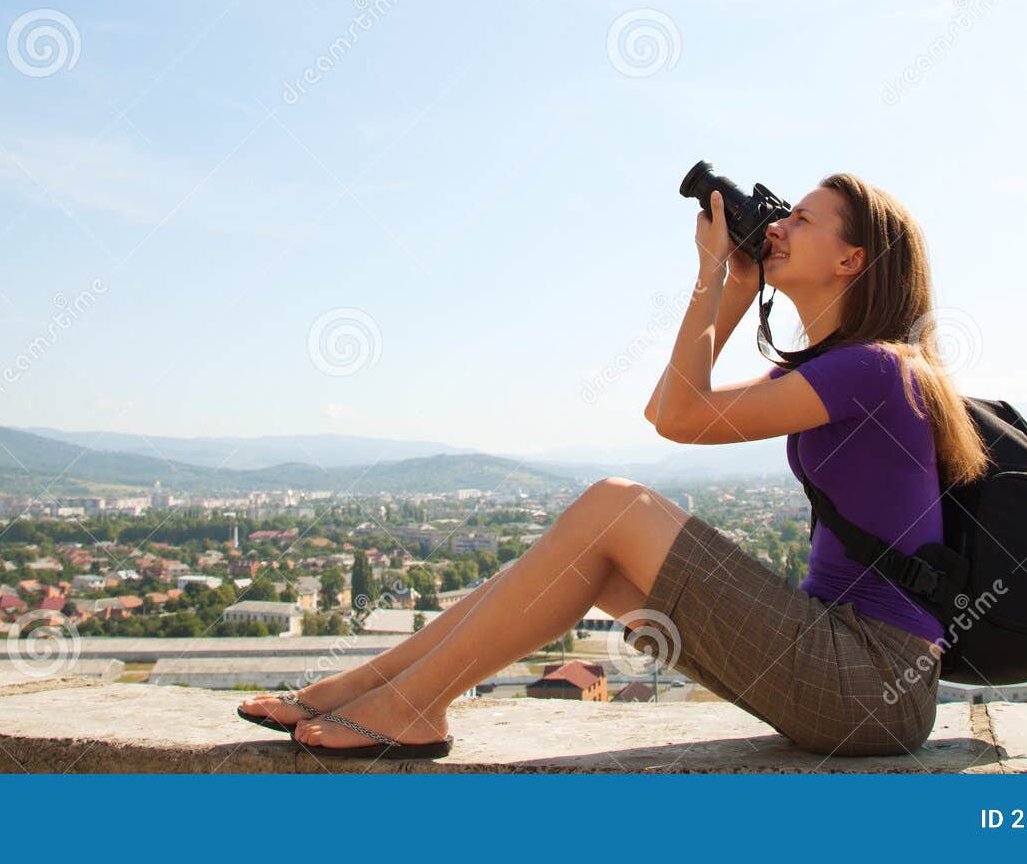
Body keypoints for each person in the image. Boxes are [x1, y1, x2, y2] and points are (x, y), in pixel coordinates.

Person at [239, 171, 987, 761]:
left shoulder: (876, 369)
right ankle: (366, 688)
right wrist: (733, 286)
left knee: (614, 506)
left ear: (852, 259)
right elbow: (670, 410)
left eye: (802, 220)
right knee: (594, 565)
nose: (779, 227)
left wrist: (712, 275)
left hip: (868, 679)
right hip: (851, 671)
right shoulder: (846, 366)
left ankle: (409, 706)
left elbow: (682, 416)